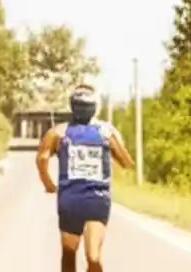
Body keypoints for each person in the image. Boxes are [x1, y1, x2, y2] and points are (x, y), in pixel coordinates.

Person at [35, 84, 135, 272]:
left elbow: (42, 158)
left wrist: (48, 183)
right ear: (94, 107)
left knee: (68, 252)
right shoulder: (105, 131)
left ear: (72, 106)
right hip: (97, 199)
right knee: (93, 256)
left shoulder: (58, 132)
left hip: (69, 200)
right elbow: (127, 162)